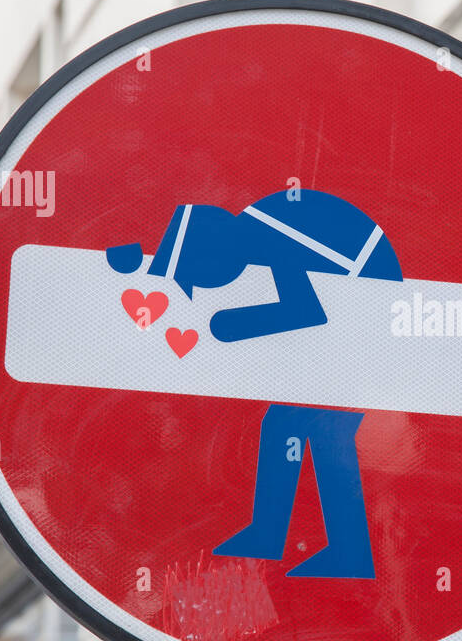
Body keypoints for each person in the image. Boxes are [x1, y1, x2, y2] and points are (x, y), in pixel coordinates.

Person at [106, 189, 401, 578]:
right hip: (350, 313)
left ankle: (347, 550)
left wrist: (230, 324)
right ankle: (269, 534)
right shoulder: (258, 230)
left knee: (325, 428)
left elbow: (304, 309)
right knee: (283, 423)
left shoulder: (273, 235)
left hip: (370, 311)